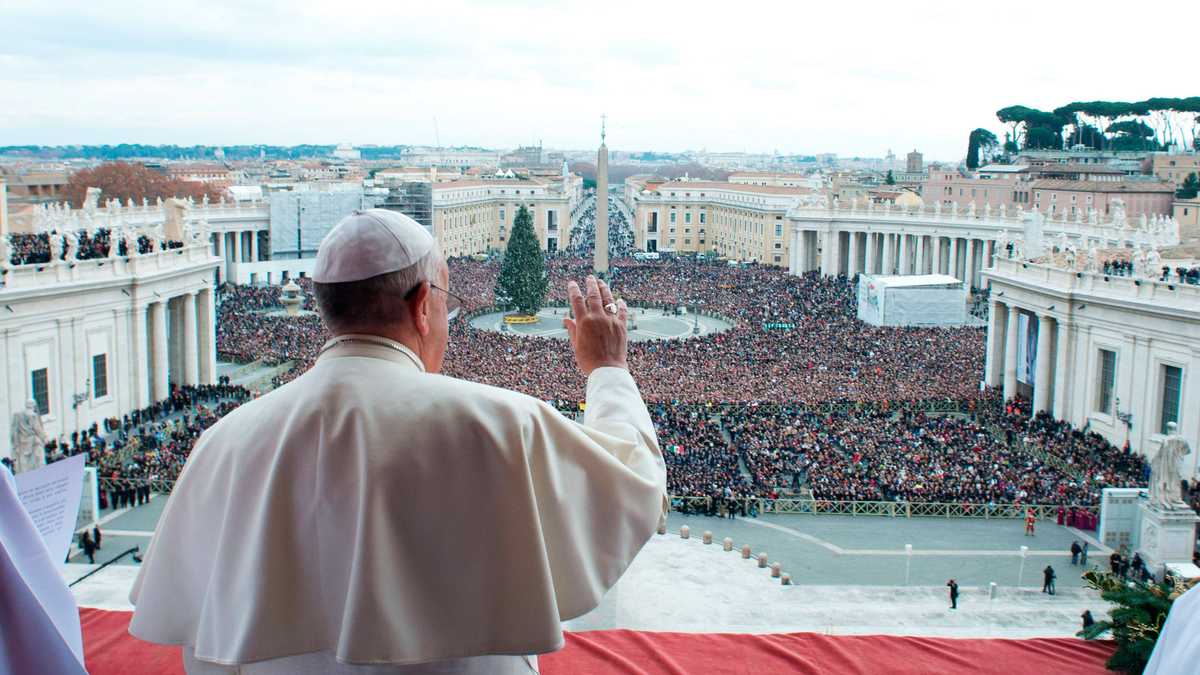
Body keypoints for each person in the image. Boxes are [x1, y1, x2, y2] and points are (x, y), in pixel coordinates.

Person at [129, 210, 668, 674]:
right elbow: (637, 487)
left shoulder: (224, 443)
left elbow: (203, 644)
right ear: (422, 306)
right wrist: (607, 371)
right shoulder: (500, 422)